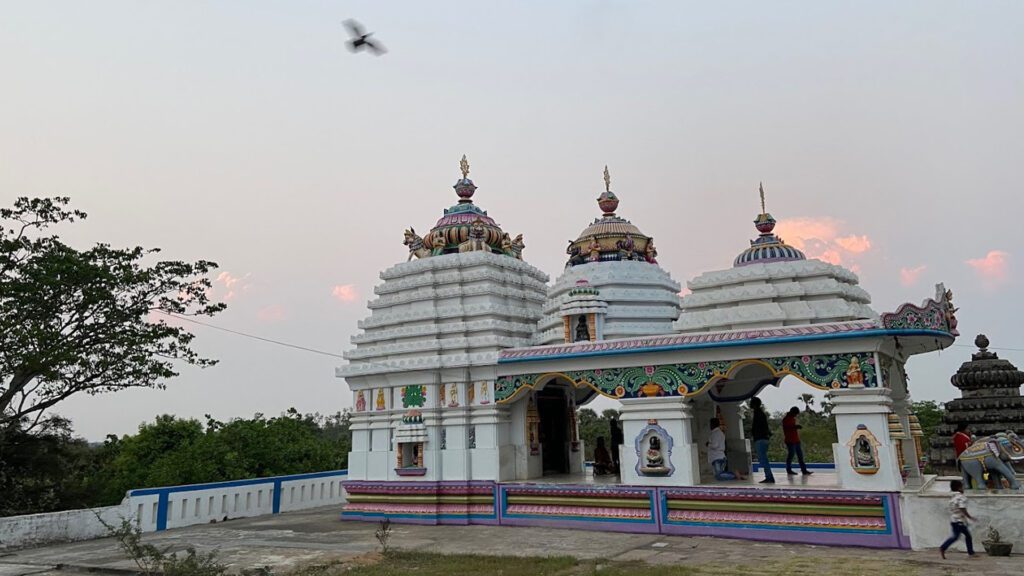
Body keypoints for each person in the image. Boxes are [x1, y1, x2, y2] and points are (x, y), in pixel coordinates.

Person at [939, 479, 977, 559]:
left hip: (954, 519)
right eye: (962, 487)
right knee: (956, 536)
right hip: (959, 521)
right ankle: (943, 547)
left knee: (967, 535)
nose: (963, 488)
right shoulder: (961, 497)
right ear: (959, 488)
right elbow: (962, 508)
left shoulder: (952, 497)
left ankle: (971, 552)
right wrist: (970, 517)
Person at [750, 397, 774, 484]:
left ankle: (769, 477)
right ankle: (769, 476)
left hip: (760, 439)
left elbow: (757, 428)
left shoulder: (758, 414)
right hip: (763, 438)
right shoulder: (761, 413)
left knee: (763, 459)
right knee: (764, 458)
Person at [782, 407, 812, 476]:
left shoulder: (793, 419)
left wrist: (795, 427)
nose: (796, 415)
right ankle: (789, 470)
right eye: (795, 414)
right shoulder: (786, 419)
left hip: (796, 440)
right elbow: (788, 427)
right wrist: (796, 427)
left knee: (800, 456)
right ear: (792, 412)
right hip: (790, 441)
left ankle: (804, 470)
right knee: (791, 455)